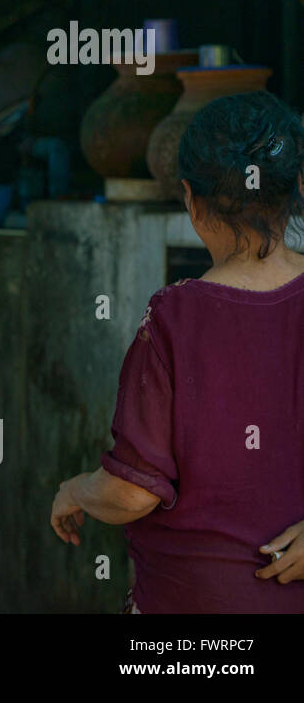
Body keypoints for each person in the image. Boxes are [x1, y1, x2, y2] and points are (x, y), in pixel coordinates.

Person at [50, 91, 304, 613]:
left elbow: (133, 492)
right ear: (296, 188)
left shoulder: (173, 318)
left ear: (190, 199)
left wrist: (74, 490)